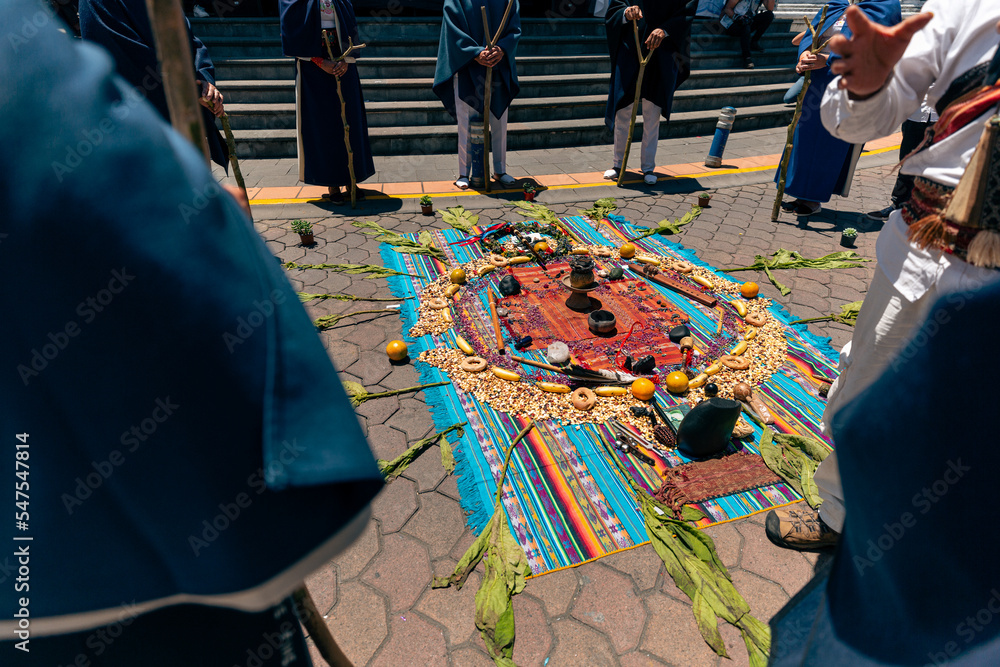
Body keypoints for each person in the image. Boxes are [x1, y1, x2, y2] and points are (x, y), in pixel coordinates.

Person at [0, 0, 383, 661]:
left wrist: (200, 83)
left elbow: (183, 41)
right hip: (119, 599)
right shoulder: (23, 55)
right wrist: (204, 226)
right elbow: (93, 177)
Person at [765, 0, 1000, 551]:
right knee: (871, 383)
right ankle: (842, 512)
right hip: (928, 249)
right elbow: (860, 118)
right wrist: (865, 85)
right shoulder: (965, 8)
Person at [775, 0, 901, 217]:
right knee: (803, 138)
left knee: (828, 142)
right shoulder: (837, 3)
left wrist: (830, 59)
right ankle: (798, 192)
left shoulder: (885, 5)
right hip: (816, 81)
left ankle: (812, 198)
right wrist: (804, 55)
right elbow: (812, 33)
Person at [79, 0, 230, 169]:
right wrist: (187, 87)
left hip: (188, 122)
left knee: (199, 187)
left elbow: (188, 39)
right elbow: (124, 55)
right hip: (142, 130)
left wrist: (204, 80)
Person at [279, 0, 376, 205]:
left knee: (349, 119)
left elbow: (349, 23)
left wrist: (346, 59)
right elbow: (292, 28)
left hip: (343, 60)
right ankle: (331, 183)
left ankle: (352, 178)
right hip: (313, 65)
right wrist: (319, 61)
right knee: (324, 124)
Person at [603, 0, 697, 185]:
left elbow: (686, 11)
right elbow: (615, 7)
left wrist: (665, 29)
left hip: (660, 54)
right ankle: (617, 165)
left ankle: (647, 167)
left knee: (652, 114)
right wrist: (625, 13)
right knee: (622, 110)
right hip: (631, 49)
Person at [433, 0, 522, 190]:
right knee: (466, 121)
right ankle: (464, 173)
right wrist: (475, 53)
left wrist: (502, 49)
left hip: (498, 66)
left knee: (499, 121)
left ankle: (500, 170)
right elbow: (452, 28)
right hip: (468, 66)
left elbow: (514, 27)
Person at [865, 98, 938, 220]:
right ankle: (898, 206)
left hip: (939, 119)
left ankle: (922, 211)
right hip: (915, 116)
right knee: (906, 164)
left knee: (930, 169)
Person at [721, 0, 775, 70]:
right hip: (732, 22)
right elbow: (727, 9)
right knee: (745, 26)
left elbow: (770, 9)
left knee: (769, 15)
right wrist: (737, 17)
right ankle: (747, 58)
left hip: (749, 20)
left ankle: (754, 42)